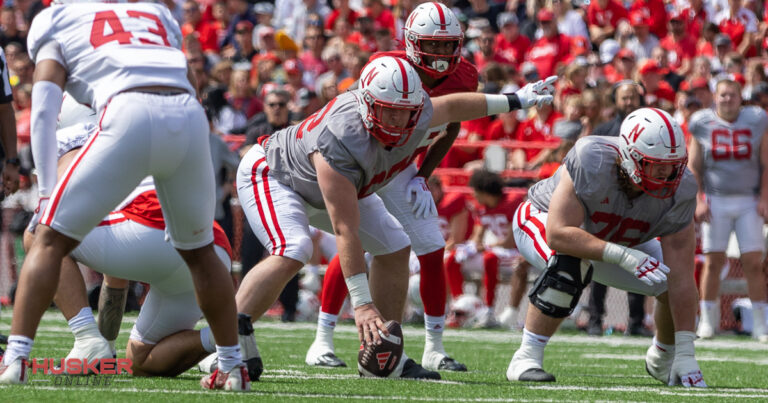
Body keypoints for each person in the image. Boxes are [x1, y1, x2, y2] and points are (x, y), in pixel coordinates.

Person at [232, 54, 555, 380]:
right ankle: (226, 341)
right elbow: (346, 230)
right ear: (368, 105)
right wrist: (361, 304)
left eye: (407, 112)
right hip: (276, 176)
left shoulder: (415, 113)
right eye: (390, 111)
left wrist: (516, 99)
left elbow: (455, 107)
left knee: (395, 246)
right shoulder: (341, 135)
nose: (399, 121)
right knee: (295, 248)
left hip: (336, 186)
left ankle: (383, 357)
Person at [0, 2, 246, 391]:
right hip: (186, 116)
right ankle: (233, 364)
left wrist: (46, 193)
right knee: (196, 256)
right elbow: (186, 76)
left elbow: (45, 108)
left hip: (128, 115)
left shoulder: (57, 19)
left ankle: (18, 357)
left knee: (41, 234)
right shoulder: (154, 11)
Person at [23, 99, 262, 381]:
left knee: (39, 233)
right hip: (207, 248)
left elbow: (57, 207)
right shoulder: (145, 129)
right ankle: (226, 334)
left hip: (148, 227)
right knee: (141, 361)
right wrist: (108, 348)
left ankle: (85, 338)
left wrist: (95, 340)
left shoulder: (74, 137)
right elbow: (116, 277)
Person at [305, 2, 480, 372]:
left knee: (432, 246)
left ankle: (434, 347)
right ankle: (322, 338)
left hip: (404, 166)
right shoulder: (387, 67)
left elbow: (452, 126)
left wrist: (422, 173)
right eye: (435, 44)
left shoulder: (464, 75)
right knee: (358, 239)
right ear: (413, 42)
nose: (443, 54)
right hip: (370, 161)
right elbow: (350, 112)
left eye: (450, 45)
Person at [507, 107, 707, 388]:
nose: (668, 173)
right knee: (569, 264)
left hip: (615, 239)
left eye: (673, 164)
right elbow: (559, 233)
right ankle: (526, 357)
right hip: (541, 220)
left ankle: (663, 358)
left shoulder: (683, 187)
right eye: (656, 164)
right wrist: (623, 255)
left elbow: (683, 278)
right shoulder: (592, 158)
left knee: (667, 280)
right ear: (629, 157)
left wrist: (686, 352)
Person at [687, 79, 768, 342]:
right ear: (715, 97)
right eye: (723, 95)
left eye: (732, 95)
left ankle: (760, 325)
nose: (728, 100)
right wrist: (699, 200)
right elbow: (694, 166)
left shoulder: (756, 119)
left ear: (740, 97)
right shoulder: (701, 122)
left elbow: (766, 163)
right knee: (713, 262)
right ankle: (707, 322)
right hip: (715, 199)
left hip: (748, 200)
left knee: (753, 263)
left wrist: (765, 198)